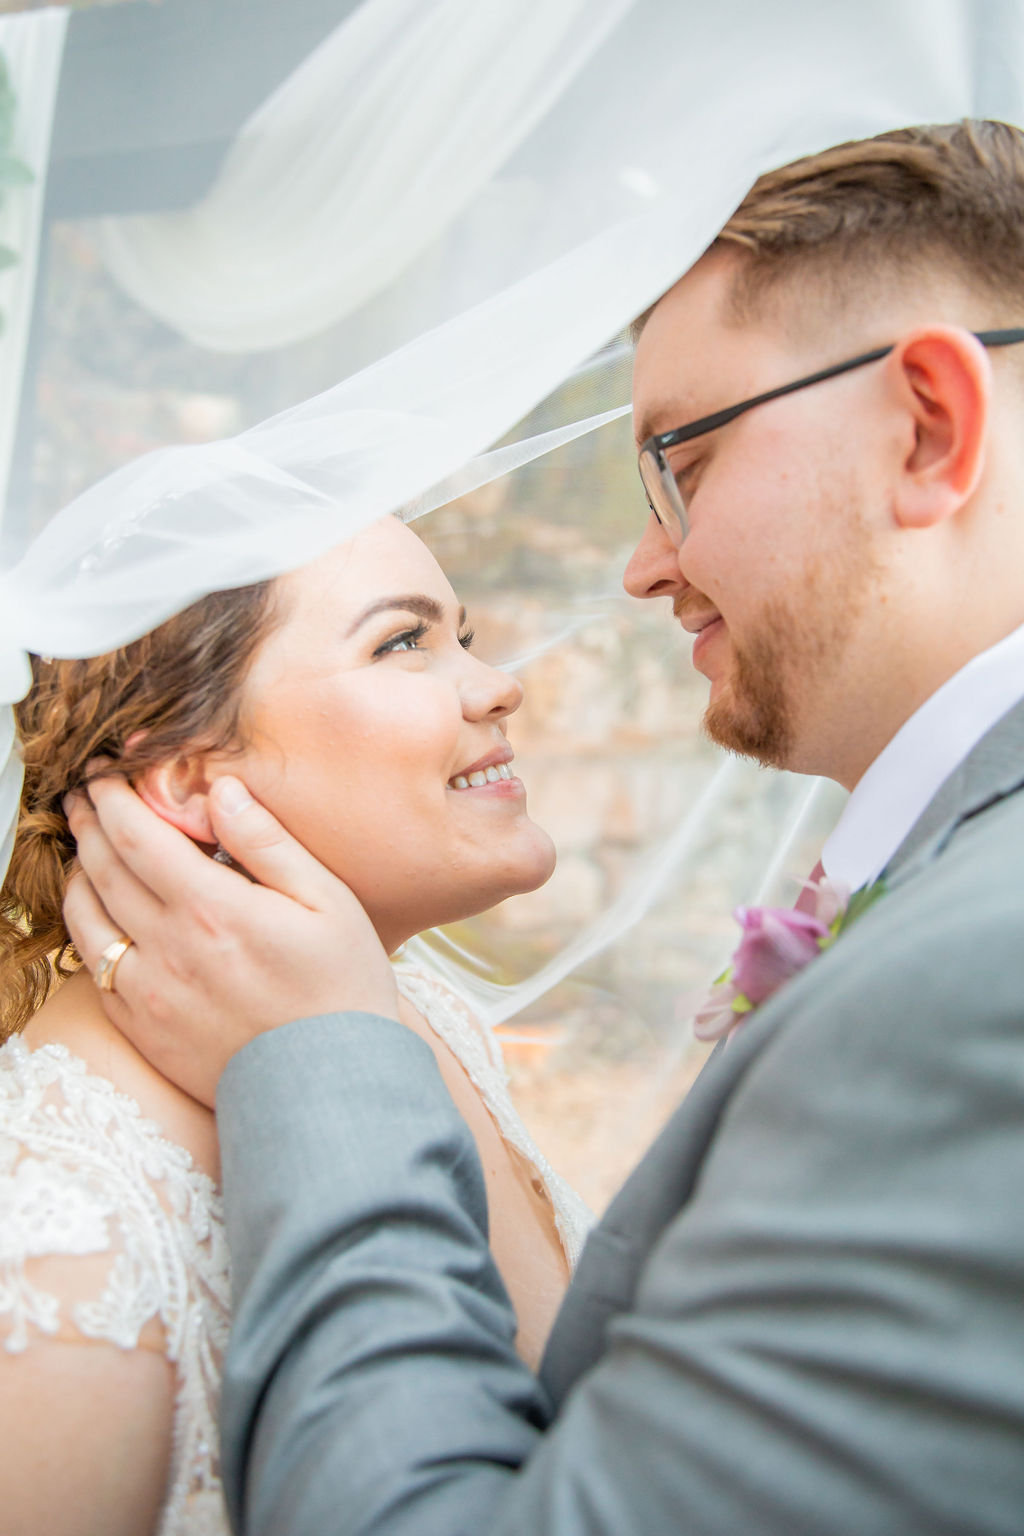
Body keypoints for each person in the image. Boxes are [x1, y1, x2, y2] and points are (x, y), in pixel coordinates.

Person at [64, 119, 1024, 1534]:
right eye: (404, 642)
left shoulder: (966, 979)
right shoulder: (66, 1204)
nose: (643, 567)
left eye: (679, 465)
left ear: (932, 426)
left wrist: (321, 1058)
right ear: (182, 773)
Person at [0, 514, 591, 1536]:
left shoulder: (409, 1009)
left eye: (462, 632)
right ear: (187, 780)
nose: (500, 682)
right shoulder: (63, 1248)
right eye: (402, 641)